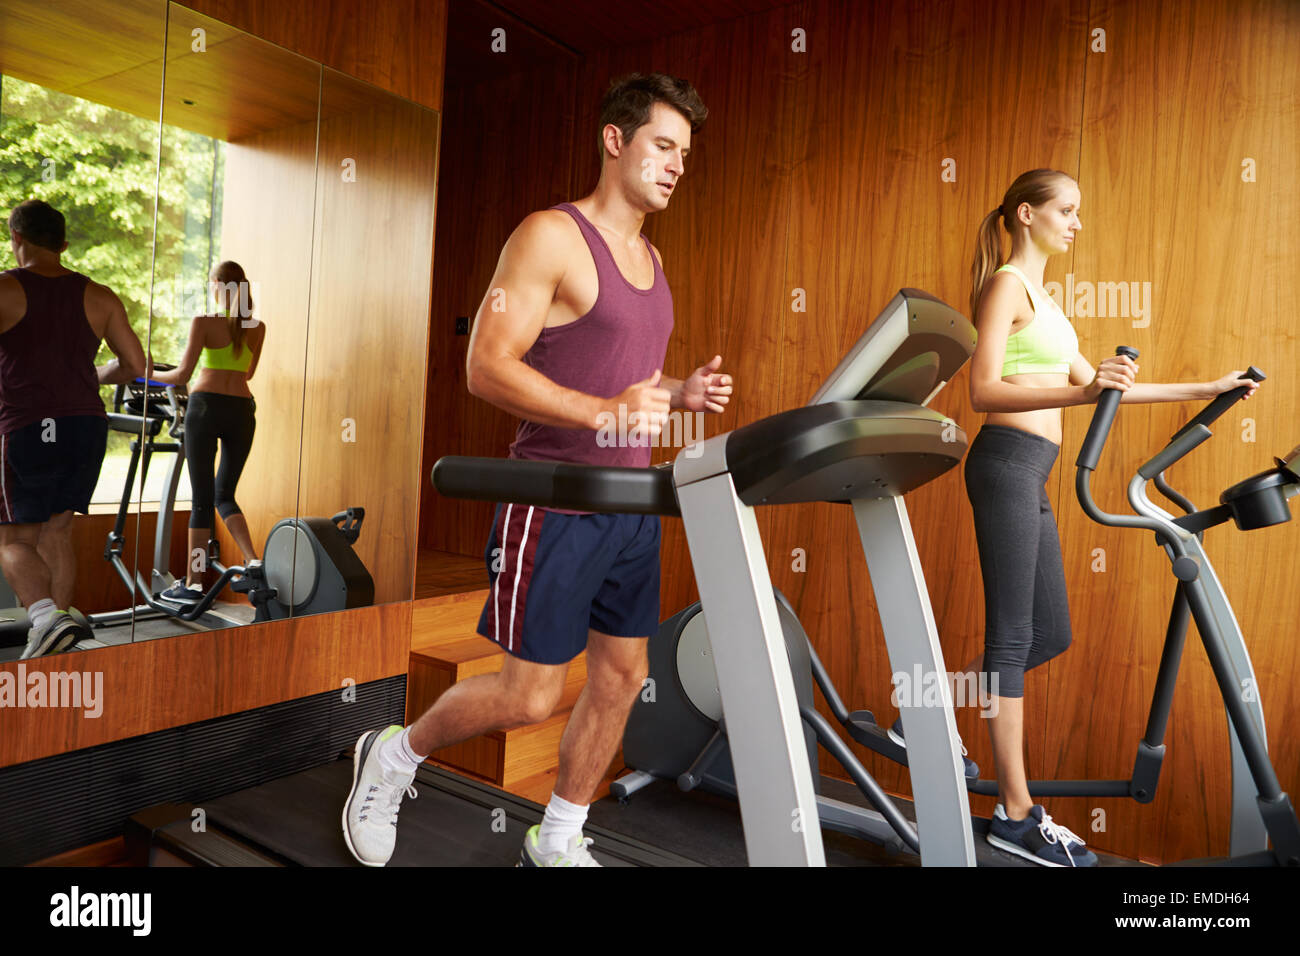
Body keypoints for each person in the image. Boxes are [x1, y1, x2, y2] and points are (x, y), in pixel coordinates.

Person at [344, 72, 732, 867]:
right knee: (531, 694)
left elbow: (625, 383)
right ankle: (392, 754)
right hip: (553, 502)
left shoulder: (653, 263)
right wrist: (602, 412)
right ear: (614, 140)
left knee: (623, 678)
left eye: (685, 155)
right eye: (663, 145)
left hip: (631, 503)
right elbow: (487, 366)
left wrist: (678, 392)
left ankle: (557, 834)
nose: (675, 165)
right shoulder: (549, 236)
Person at [958, 168, 1260, 866]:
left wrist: (1206, 388)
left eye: (1078, 212)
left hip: (1033, 471)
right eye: (1066, 210)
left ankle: (931, 714)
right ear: (1027, 215)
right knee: (1011, 638)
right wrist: (1082, 389)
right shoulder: (1006, 284)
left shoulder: (1051, 306)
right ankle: (1016, 810)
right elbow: (981, 390)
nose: (1076, 222)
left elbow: (1103, 393)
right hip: (1003, 461)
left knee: (1050, 631)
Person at [0, 199, 148, 658]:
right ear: (63, 244)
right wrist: (93, 375)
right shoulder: (100, 295)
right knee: (58, 532)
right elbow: (135, 365)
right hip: (86, 426)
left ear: (16, 237)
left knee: (13, 540)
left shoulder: (6, 288)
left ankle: (45, 619)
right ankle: (55, 642)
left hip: (27, 425)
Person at [149, 261, 265, 603]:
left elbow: (182, 375)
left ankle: (194, 583)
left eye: (211, 284)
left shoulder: (204, 322)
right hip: (242, 411)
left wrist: (147, 371)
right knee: (224, 495)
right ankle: (252, 560)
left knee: (201, 500)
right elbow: (248, 374)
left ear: (217, 285)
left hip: (205, 409)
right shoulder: (257, 327)